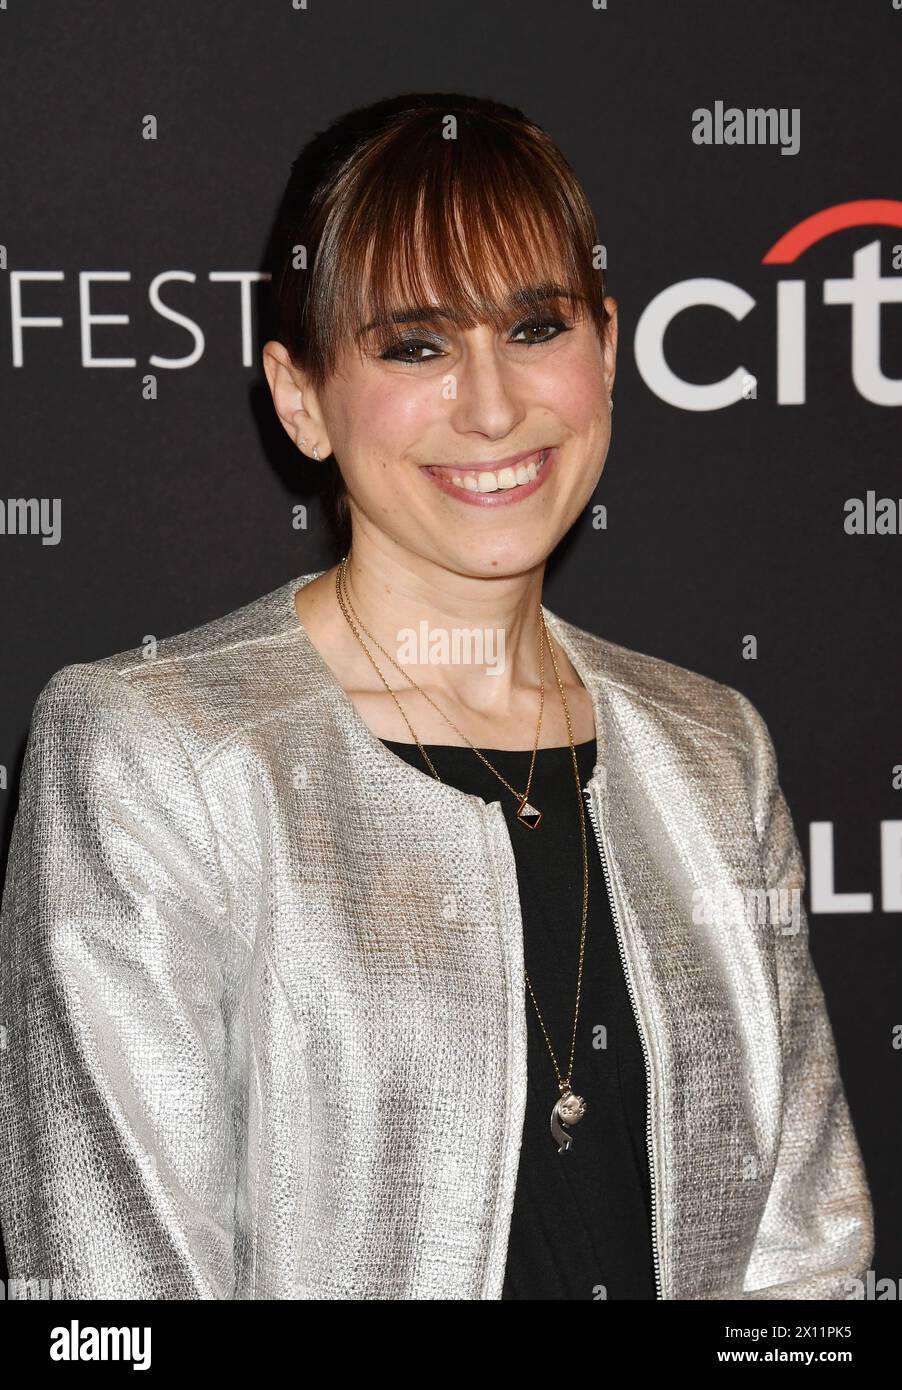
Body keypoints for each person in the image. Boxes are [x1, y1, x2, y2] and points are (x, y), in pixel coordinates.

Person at [0, 92, 873, 1300]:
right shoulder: (158, 752)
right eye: (414, 344)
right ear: (300, 397)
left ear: (607, 348)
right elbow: (110, 1301)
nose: (493, 405)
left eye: (532, 327)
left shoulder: (711, 749)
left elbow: (804, 1266)